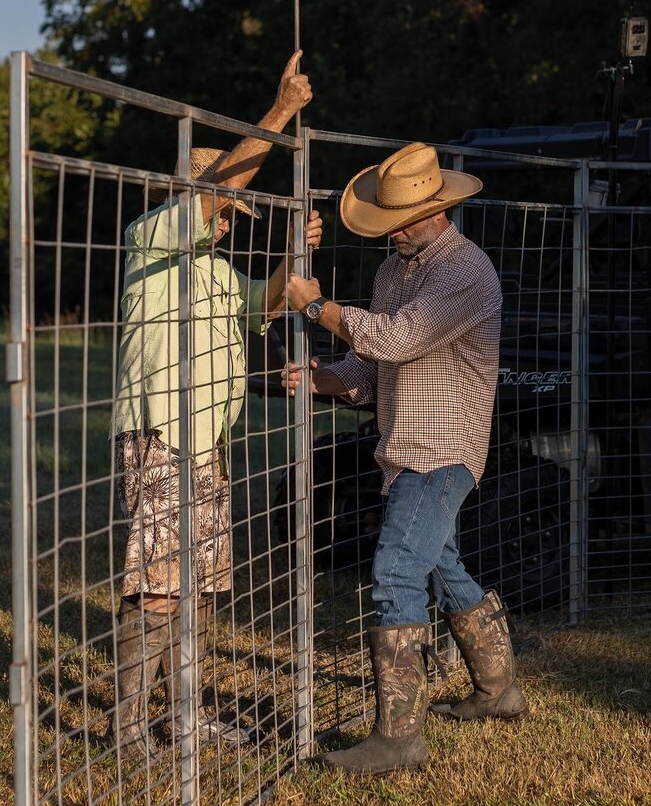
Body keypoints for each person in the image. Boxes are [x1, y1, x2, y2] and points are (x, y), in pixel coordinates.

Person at [284, 140, 526, 775]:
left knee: (395, 572)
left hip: (443, 450)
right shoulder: (394, 271)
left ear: (434, 210)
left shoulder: (464, 272)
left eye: (400, 221)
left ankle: (398, 739)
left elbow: (398, 338)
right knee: (443, 570)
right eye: (386, 222)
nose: (392, 232)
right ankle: (499, 690)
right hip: (405, 447)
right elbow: (373, 365)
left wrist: (316, 306)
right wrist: (321, 377)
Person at [112, 52, 322, 766]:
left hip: (206, 445)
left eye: (236, 215)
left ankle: (186, 716)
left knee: (198, 590)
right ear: (200, 199)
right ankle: (130, 725)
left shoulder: (218, 268)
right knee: (158, 589)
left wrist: (297, 248)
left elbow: (262, 305)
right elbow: (211, 196)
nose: (231, 221)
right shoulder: (152, 238)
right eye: (228, 208)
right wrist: (280, 112)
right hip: (161, 436)